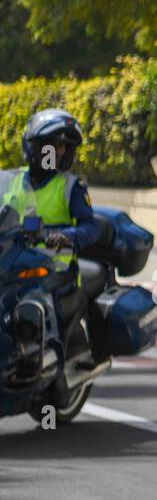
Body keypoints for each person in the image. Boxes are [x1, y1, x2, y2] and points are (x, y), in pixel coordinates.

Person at [1, 109, 102, 352]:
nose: (60, 152)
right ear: (34, 146)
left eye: (64, 147)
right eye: (54, 145)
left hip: (56, 271)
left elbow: (91, 227)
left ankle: (55, 379)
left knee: (40, 323)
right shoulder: (12, 180)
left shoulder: (70, 186)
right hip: (14, 262)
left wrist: (66, 236)